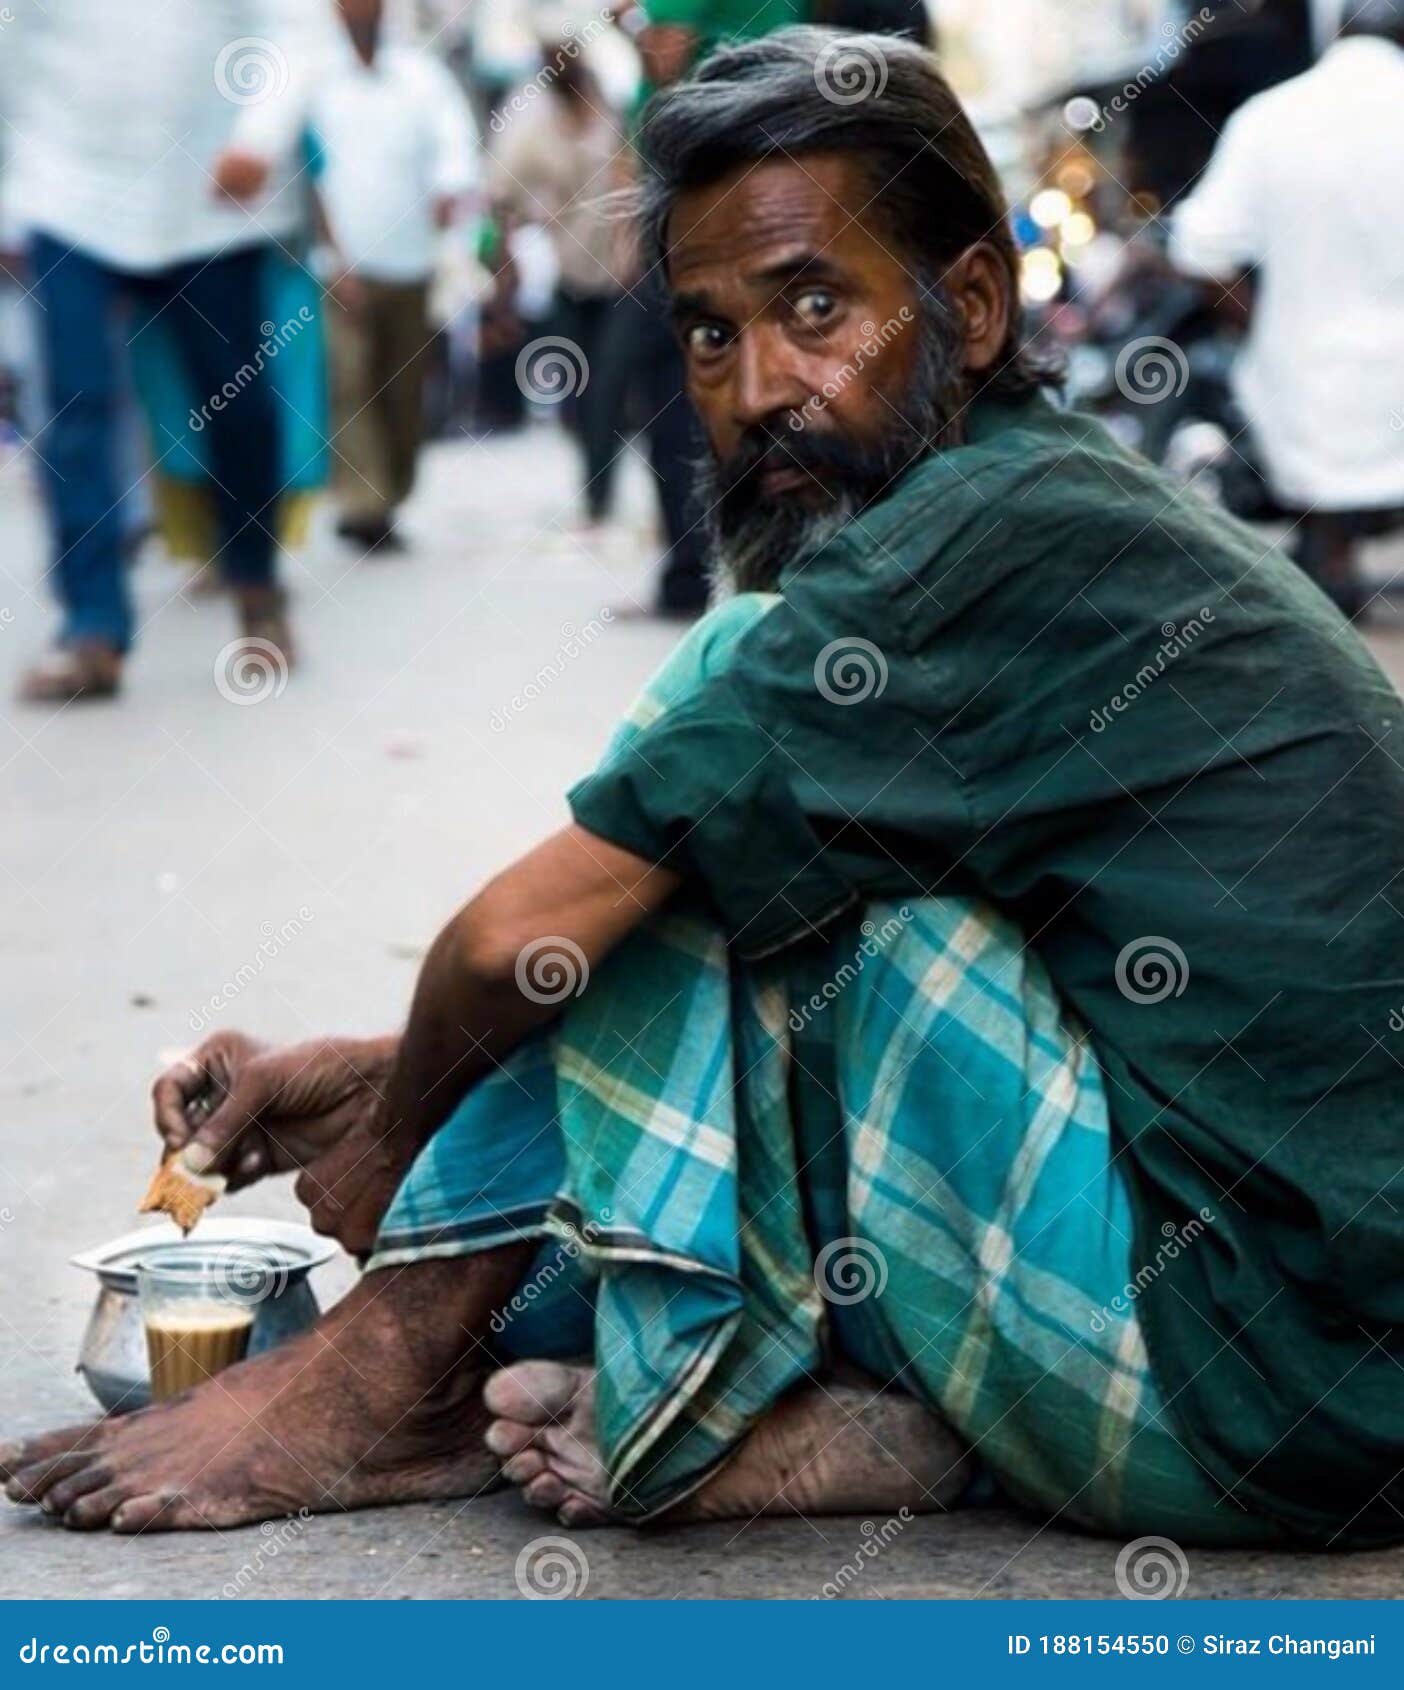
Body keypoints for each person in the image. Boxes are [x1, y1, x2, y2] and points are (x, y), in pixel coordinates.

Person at [9, 27, 1404, 1550]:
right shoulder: (1022, 500)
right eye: (710, 333)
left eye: (819, 309)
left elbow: (527, 934)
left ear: (978, 306)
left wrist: (396, 1129)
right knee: (750, 825)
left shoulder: (973, 548)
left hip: (1271, 1378)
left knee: (716, 793)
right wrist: (391, 1061)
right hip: (1319, 1369)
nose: (757, 390)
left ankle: (385, 1374)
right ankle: (889, 1416)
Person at [1, 0, 326, 702]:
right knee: (76, 407)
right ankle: (93, 627)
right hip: (70, 193)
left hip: (210, 192)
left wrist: (260, 136)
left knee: (238, 406)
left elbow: (293, 26)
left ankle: (255, 582)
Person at [1171, 0, 1404, 619]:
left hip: (1309, 399)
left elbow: (1198, 251)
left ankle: (1333, 573)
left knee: (1329, 608)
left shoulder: (1271, 119)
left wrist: (1262, 327)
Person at [313, 0, 479, 555]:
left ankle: (388, 497)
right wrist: (327, 258)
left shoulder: (421, 78)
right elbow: (304, 176)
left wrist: (449, 192)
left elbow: (455, 151)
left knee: (401, 391)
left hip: (411, 265)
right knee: (349, 385)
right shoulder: (315, 80)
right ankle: (364, 504)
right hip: (341, 270)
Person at [490, 40, 628, 529]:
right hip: (560, 275)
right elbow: (503, 199)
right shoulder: (526, 116)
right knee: (577, 385)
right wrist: (506, 281)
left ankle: (602, 488)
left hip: (618, 274)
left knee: (609, 385)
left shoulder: (612, 106)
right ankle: (593, 481)